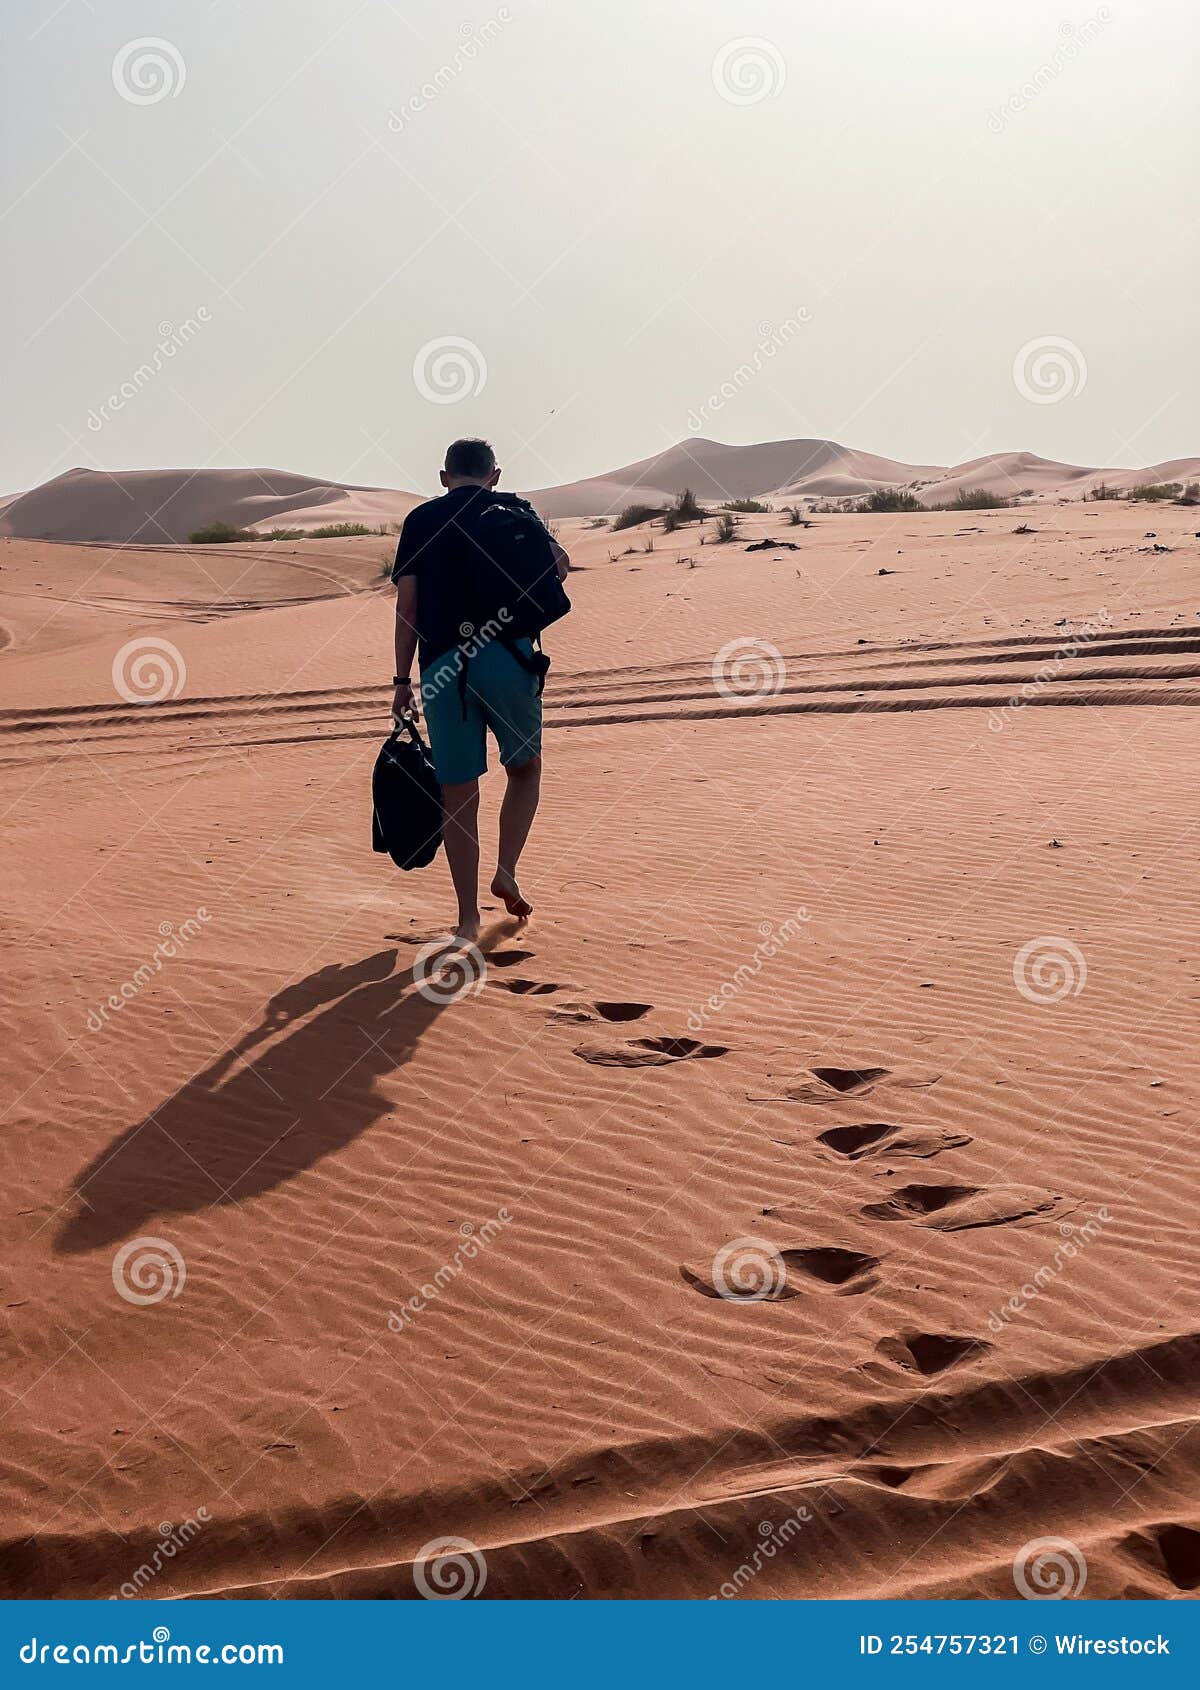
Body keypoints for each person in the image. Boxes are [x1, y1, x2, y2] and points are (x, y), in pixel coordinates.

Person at [390, 438, 569, 943]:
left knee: (458, 792)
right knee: (524, 769)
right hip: (511, 659)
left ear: (443, 476)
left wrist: (402, 682)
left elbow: (407, 610)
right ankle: (507, 869)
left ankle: (468, 915)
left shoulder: (421, 520)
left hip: (445, 666)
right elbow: (559, 566)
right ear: (494, 473)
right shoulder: (516, 510)